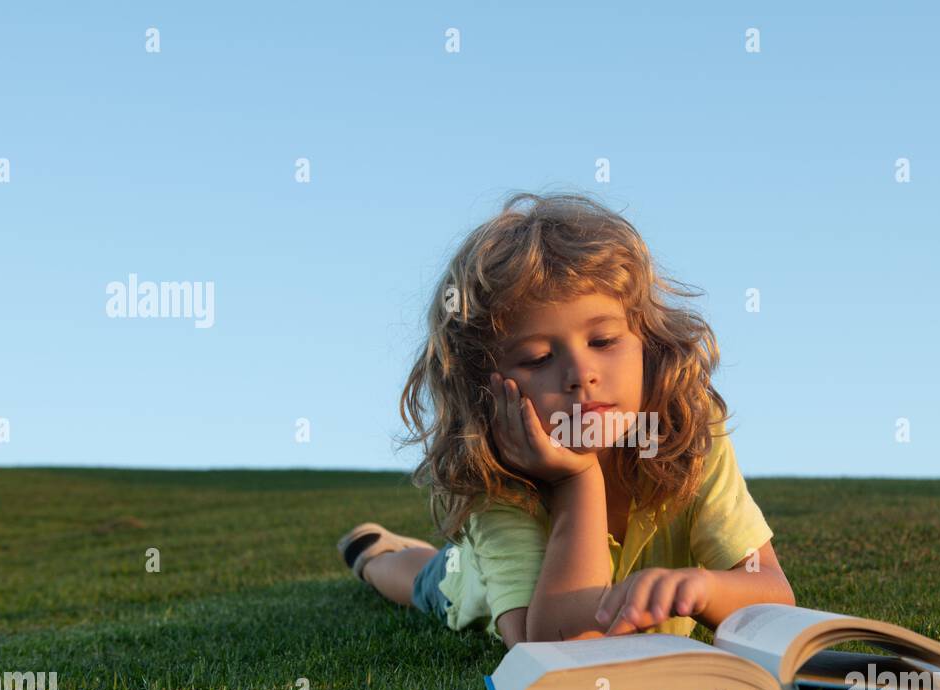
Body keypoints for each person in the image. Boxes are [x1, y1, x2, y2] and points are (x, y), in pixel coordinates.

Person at [337, 191, 793, 650]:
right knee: (428, 581)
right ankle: (373, 553)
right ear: (486, 390)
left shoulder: (689, 433)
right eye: (537, 359)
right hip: (471, 583)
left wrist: (708, 589)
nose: (581, 375)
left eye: (604, 340)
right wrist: (579, 478)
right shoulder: (499, 480)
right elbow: (557, 646)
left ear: (647, 344)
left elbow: (773, 595)